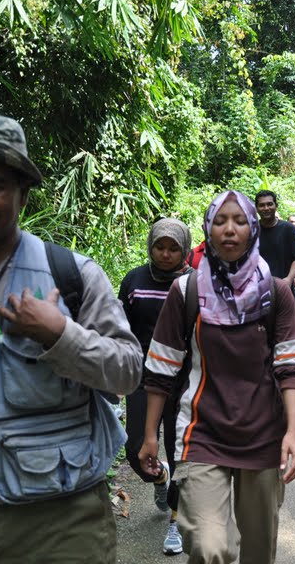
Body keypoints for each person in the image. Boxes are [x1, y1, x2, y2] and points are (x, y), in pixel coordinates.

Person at [0, 115, 142, 563]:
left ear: (22, 194)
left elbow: (129, 371)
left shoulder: (72, 275)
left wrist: (60, 333)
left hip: (62, 515)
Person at [138, 191, 295, 564]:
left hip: (263, 436)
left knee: (258, 552)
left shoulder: (276, 293)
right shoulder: (186, 291)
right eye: (220, 221)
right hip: (202, 434)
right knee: (210, 546)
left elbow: (291, 366)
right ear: (208, 230)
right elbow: (162, 367)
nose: (230, 229)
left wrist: (292, 432)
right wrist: (150, 435)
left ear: (253, 230)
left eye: (240, 221)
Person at [119, 219, 193, 556]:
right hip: (141, 377)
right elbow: (120, 329)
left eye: (173, 248)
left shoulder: (194, 284)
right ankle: (159, 478)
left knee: (180, 452)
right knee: (136, 449)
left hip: (182, 381)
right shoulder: (134, 280)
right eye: (159, 247)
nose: (165, 254)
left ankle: (176, 519)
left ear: (185, 249)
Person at [254, 190, 295, 318]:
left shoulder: (288, 229)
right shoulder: (252, 230)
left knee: (284, 324)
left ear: (276, 206)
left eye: (269, 204)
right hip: (257, 291)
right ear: (256, 208)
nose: (266, 208)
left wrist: (288, 279)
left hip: (283, 288)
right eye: (262, 205)